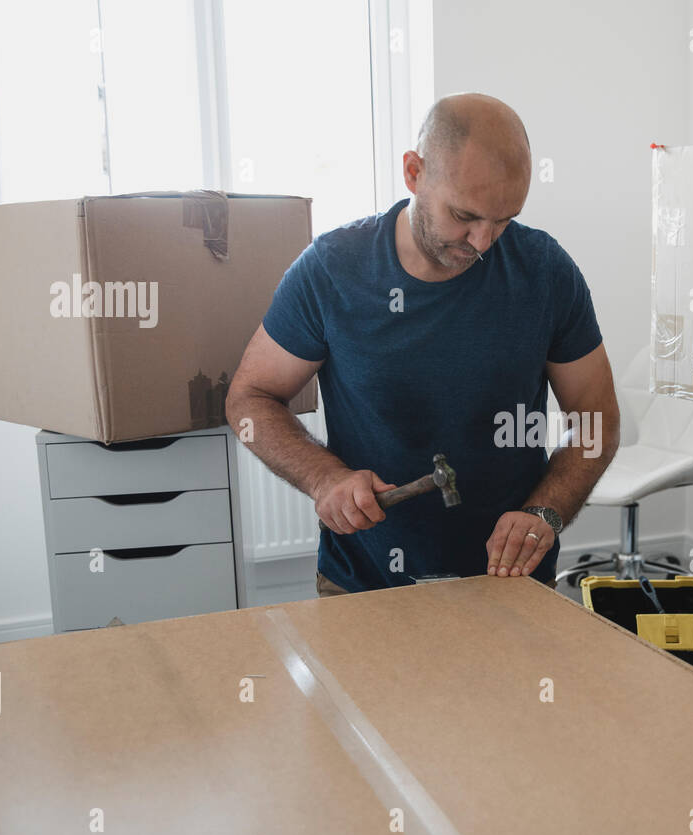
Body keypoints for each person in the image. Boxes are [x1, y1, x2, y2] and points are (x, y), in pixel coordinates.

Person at [226, 92, 620, 595]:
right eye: (464, 216)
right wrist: (323, 478)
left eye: (503, 221)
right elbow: (249, 398)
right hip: (364, 586)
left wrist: (545, 511)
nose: (483, 242)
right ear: (414, 172)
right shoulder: (332, 270)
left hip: (510, 586)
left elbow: (596, 416)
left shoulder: (544, 272)